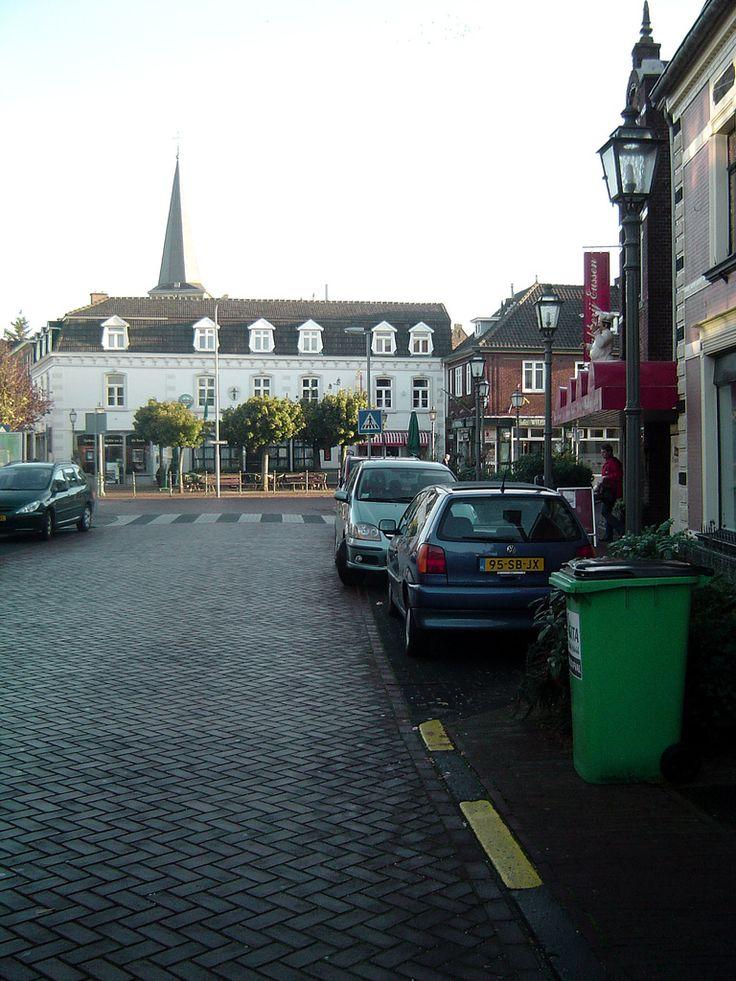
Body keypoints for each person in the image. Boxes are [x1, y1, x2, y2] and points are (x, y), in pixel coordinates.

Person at [596, 443, 624, 542]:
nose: (602, 454)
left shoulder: (613, 462)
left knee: (605, 512)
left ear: (609, 452)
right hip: (610, 490)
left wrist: (606, 478)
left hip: (612, 491)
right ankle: (608, 535)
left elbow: (618, 475)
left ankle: (621, 529)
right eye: (601, 452)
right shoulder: (609, 462)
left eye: (604, 452)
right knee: (607, 512)